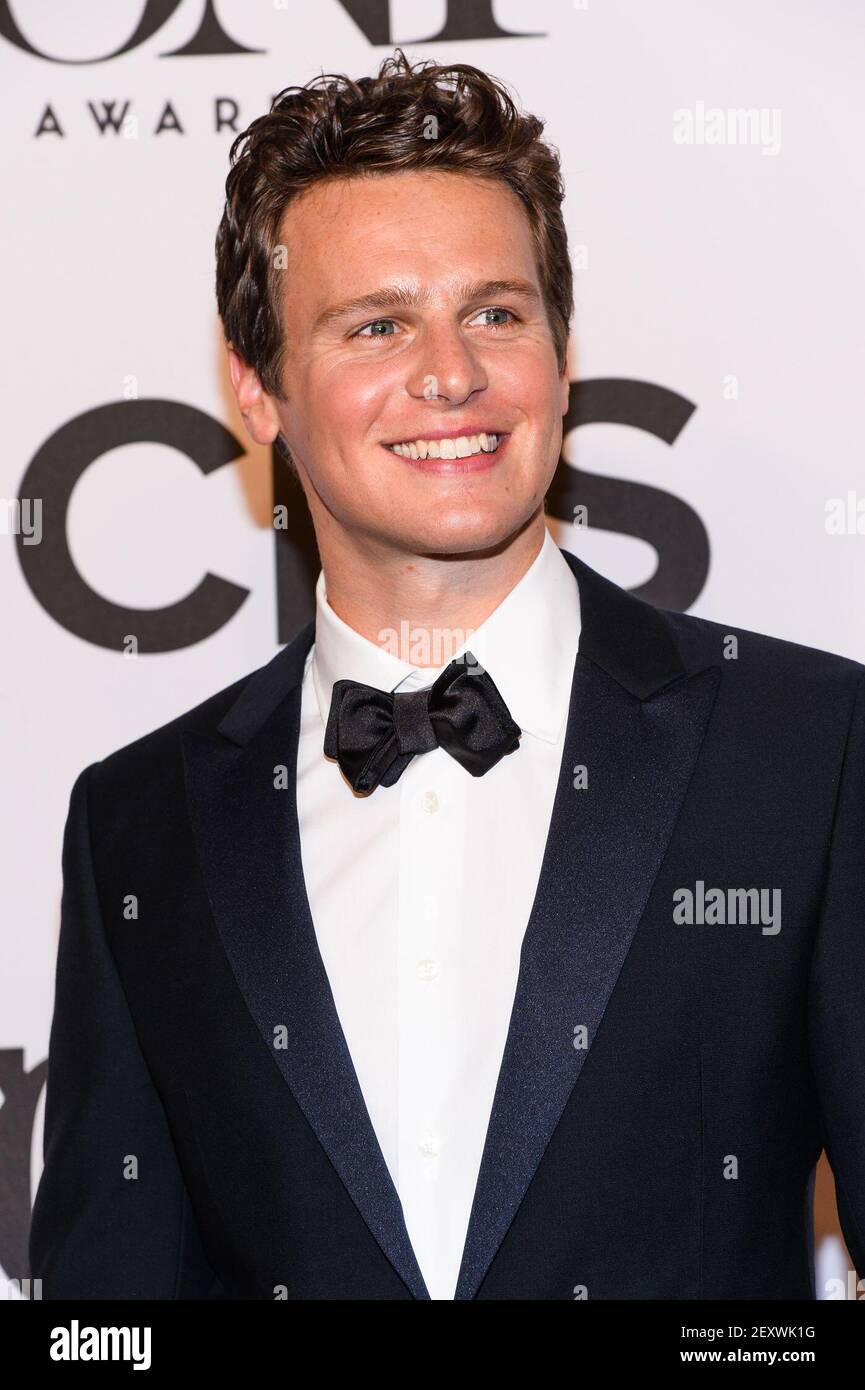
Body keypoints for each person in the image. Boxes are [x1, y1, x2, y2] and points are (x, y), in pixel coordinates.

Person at [30, 49, 864, 1301]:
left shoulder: (807, 747)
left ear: (562, 352)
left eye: (495, 312)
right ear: (260, 389)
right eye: (377, 324)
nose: (451, 373)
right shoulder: (138, 823)